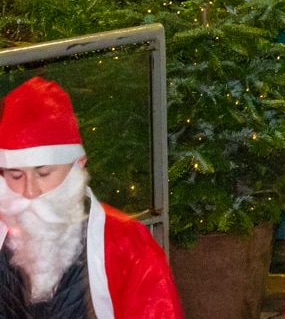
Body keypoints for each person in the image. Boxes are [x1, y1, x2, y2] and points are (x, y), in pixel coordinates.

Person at [0, 78, 179, 319]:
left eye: (43, 173)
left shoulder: (126, 245)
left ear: (78, 164)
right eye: (16, 175)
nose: (29, 191)